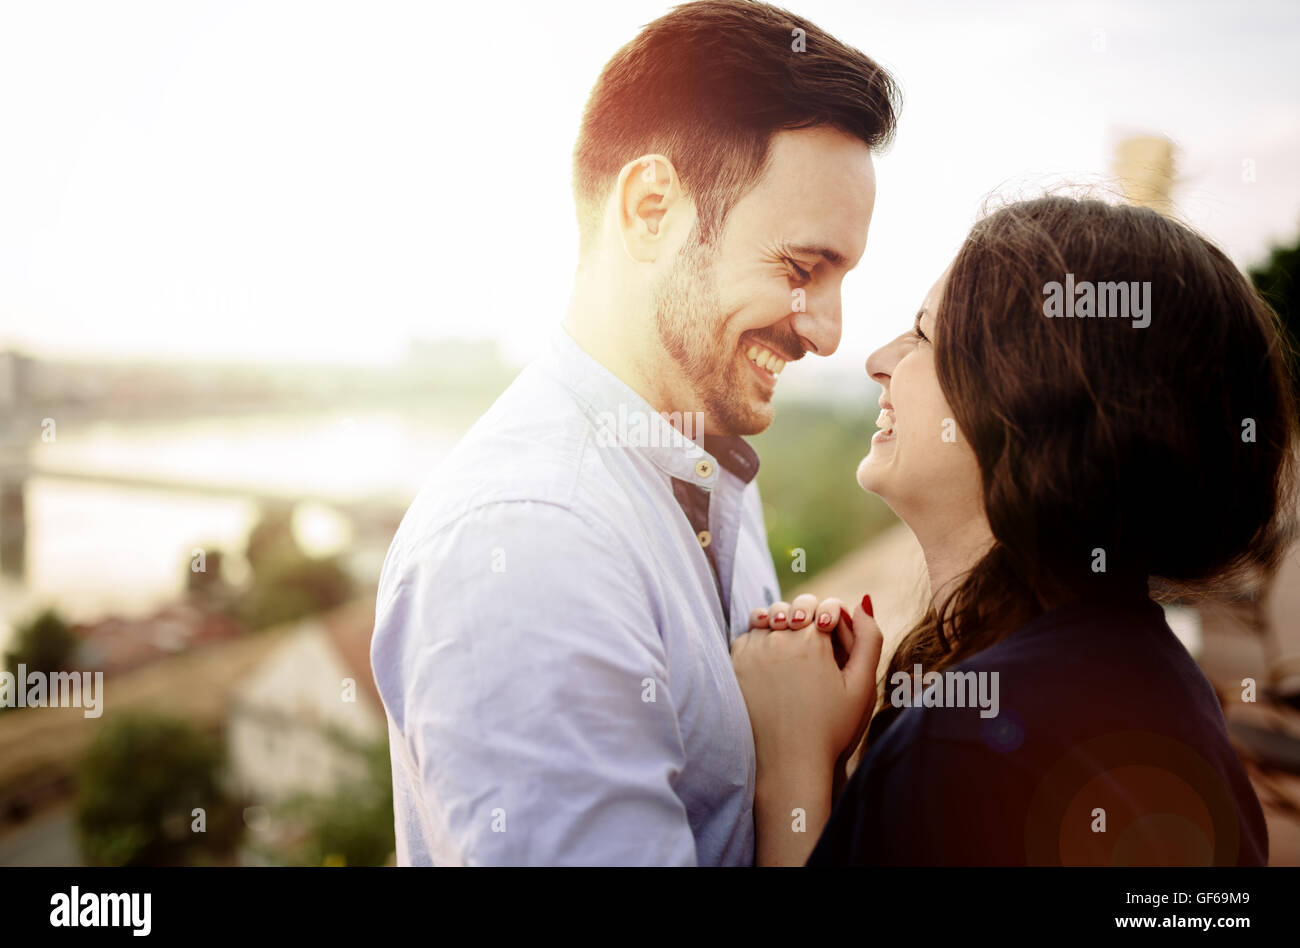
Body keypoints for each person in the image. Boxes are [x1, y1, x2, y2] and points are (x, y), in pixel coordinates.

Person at [369, 0, 898, 865]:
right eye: (802, 270)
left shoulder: (710, 471)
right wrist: (797, 771)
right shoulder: (534, 539)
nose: (829, 330)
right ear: (652, 209)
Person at [732, 196, 1299, 865]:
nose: (878, 359)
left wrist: (791, 762)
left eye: (923, 336)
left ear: (1030, 400)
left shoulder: (971, 746)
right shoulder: (1149, 679)